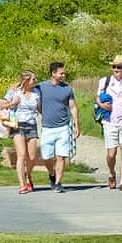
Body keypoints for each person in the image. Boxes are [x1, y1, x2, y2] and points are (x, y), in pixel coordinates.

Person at [95, 55, 122, 191]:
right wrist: (101, 105)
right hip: (109, 121)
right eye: (114, 67)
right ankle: (111, 172)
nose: (116, 69)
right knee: (111, 154)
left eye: (119, 67)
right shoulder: (104, 81)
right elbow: (97, 98)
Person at [34, 61, 79, 193]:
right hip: (47, 128)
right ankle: (52, 174)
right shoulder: (41, 87)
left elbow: (73, 107)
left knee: (61, 156)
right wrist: (41, 110)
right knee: (46, 157)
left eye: (64, 73)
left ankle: (58, 183)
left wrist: (76, 125)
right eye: (61, 73)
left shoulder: (67, 89)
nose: (63, 75)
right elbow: (30, 95)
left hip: (63, 127)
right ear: (53, 74)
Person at [0, 70, 41, 194]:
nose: (35, 81)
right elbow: (2, 106)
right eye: (33, 79)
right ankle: (22, 185)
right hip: (17, 126)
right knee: (22, 155)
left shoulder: (36, 93)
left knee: (32, 157)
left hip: (32, 125)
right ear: (26, 80)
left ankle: (28, 175)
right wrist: (13, 103)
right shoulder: (14, 91)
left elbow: (39, 109)